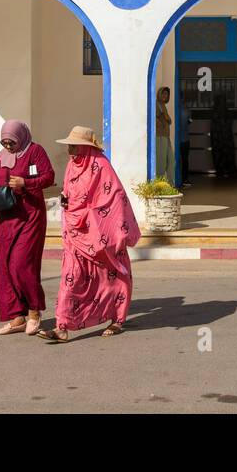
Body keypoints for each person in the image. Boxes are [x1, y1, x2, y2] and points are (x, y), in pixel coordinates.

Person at [37, 126, 140, 343]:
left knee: (112, 277)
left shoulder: (101, 166)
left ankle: (117, 319)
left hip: (100, 234)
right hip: (76, 234)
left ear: (86, 147)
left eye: (74, 146)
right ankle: (62, 326)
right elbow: (69, 193)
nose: (70, 151)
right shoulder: (72, 167)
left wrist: (93, 217)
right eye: (69, 146)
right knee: (71, 278)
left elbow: (115, 197)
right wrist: (65, 201)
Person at [0, 120, 54, 336]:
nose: (8, 147)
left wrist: (26, 183)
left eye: (11, 142)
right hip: (6, 218)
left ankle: (34, 311)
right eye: (4, 142)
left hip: (30, 215)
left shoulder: (35, 151)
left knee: (22, 265)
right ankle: (16, 317)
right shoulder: (0, 157)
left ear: (20, 137)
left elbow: (49, 177)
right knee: (5, 267)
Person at [209, 92, 236, 178]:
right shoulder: (224, 112)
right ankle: (226, 171)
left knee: (221, 157)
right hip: (223, 140)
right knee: (224, 156)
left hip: (220, 140)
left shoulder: (216, 113)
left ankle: (222, 171)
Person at [155, 87, 175, 184]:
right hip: (160, 137)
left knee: (171, 161)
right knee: (161, 163)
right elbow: (154, 119)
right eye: (163, 94)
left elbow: (168, 120)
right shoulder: (156, 104)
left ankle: (171, 184)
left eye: (166, 94)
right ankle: (160, 185)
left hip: (166, 137)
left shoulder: (163, 105)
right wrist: (160, 122)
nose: (165, 96)